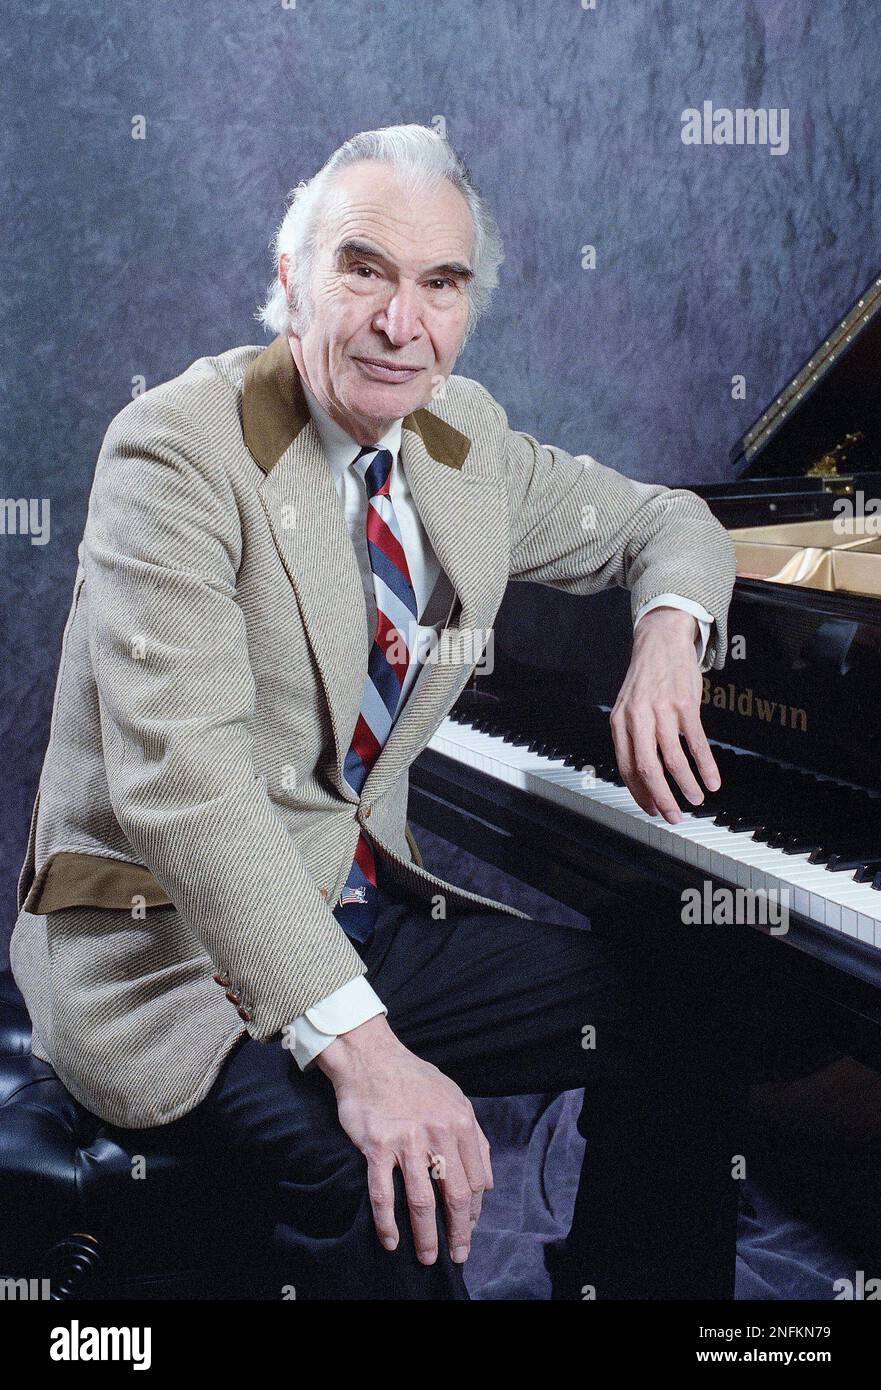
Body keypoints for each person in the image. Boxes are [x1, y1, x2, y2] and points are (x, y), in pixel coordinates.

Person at [10, 123, 756, 1299]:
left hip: (355, 907)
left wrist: (669, 630)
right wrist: (369, 1058)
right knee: (375, 1161)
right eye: (363, 269)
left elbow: (667, 520)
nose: (401, 323)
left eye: (440, 284)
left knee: (675, 1016)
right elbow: (187, 794)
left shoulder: (459, 440)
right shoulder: (174, 454)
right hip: (170, 947)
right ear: (286, 281)